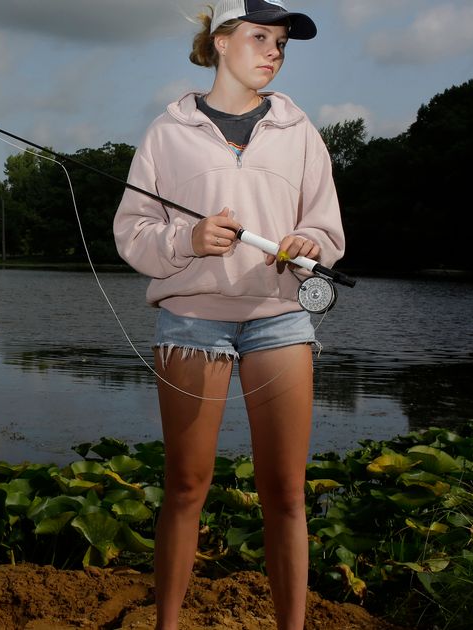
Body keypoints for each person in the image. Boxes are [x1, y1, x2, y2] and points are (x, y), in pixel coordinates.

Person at [112, 1, 344, 628]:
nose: (274, 52)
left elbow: (324, 223)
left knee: (286, 494)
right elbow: (132, 231)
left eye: (282, 44)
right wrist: (187, 242)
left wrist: (309, 246)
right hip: (190, 321)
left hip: (281, 320)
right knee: (186, 488)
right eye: (261, 37)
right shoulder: (167, 131)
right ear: (220, 41)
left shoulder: (301, 131)